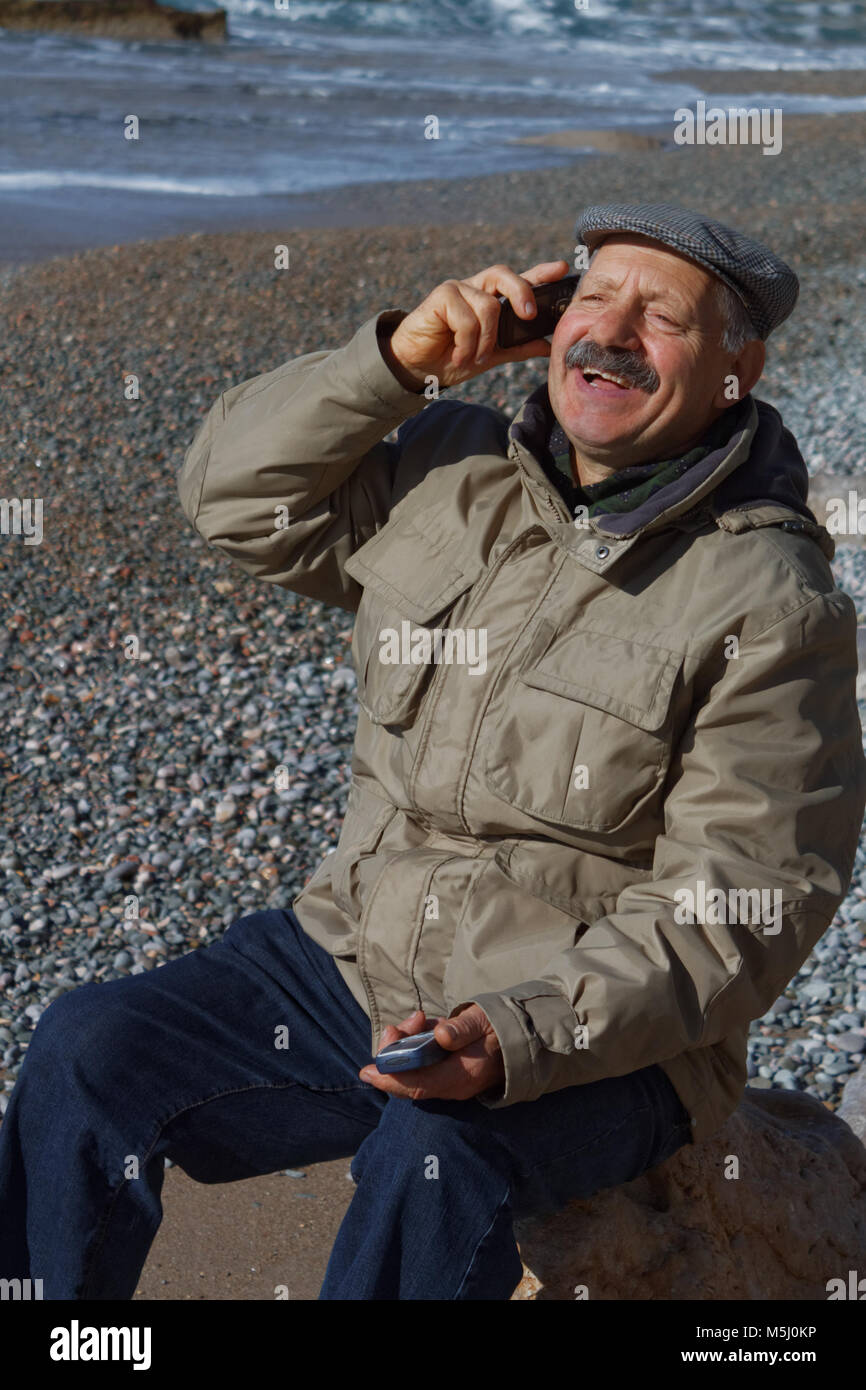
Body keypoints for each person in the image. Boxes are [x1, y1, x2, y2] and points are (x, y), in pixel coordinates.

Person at [1, 203, 864, 1301]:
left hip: (597, 1042)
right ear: (544, 318)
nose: (608, 334)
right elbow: (228, 496)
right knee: (89, 1043)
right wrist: (393, 364)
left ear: (736, 368)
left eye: (661, 320)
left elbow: (743, 904)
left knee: (432, 1162)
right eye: (590, 298)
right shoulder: (454, 468)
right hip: (353, 965)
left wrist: (514, 1035)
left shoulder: (771, 601)